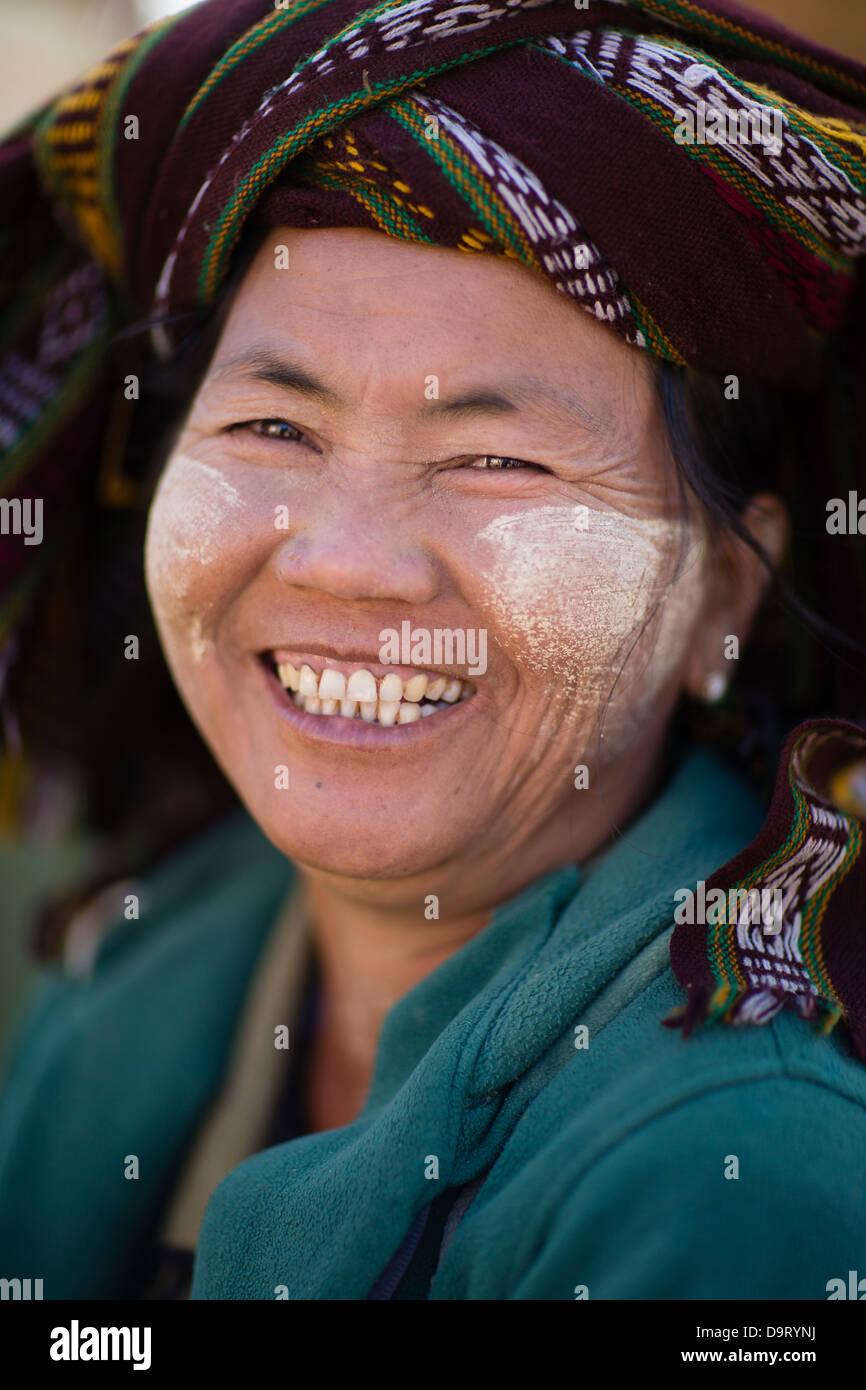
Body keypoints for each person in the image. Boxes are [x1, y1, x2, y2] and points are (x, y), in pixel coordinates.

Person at [0, 0, 865, 1301]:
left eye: (493, 457)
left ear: (720, 593)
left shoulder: (731, 1173)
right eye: (274, 430)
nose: (344, 560)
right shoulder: (141, 956)